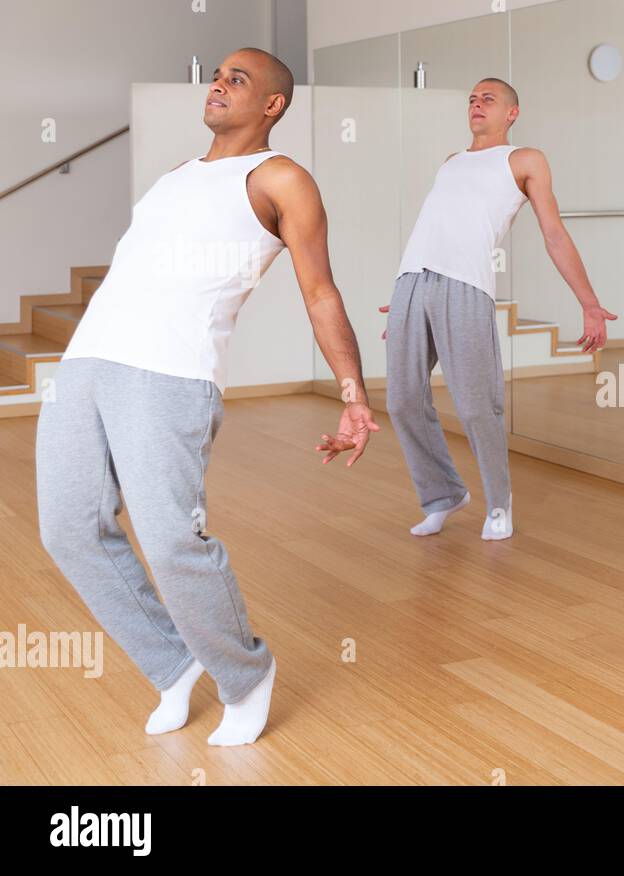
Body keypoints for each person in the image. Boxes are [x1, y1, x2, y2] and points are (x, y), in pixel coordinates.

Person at [36, 48, 379, 745]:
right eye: (218, 74)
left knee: (169, 539)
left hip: (170, 372)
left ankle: (246, 673)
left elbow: (321, 293)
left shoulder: (279, 177)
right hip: (88, 362)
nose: (220, 83)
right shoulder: (173, 178)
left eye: (239, 79)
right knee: (68, 527)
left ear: (274, 104)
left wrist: (353, 394)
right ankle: (171, 663)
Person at [380, 77, 617, 541]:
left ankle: (498, 505)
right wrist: (408, 291)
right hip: (413, 280)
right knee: (401, 400)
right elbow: (435, 224)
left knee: (474, 406)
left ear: (512, 112)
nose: (476, 104)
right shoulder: (450, 163)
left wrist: (588, 302)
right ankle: (443, 495)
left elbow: (554, 233)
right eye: (471, 99)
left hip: (466, 286)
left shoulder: (526, 160)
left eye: (488, 99)